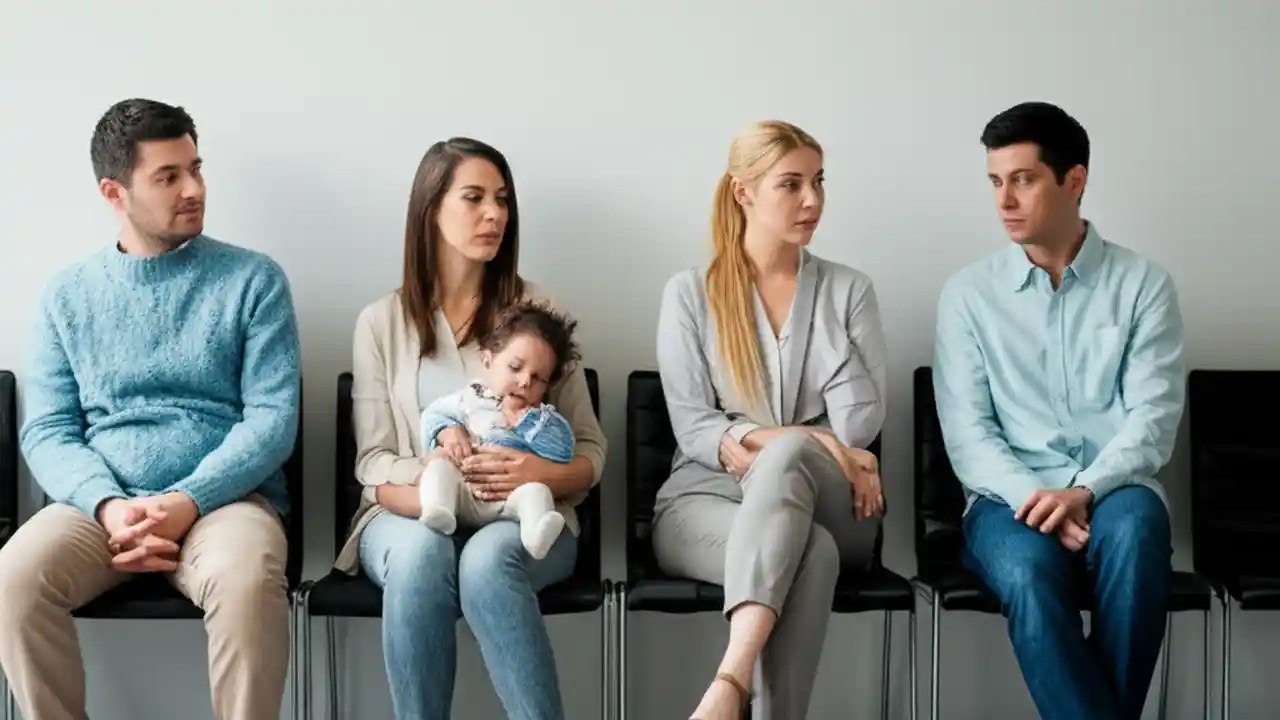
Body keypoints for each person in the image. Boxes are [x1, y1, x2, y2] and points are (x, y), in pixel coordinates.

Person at [0, 98, 300, 720]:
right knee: (12, 580)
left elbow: (271, 420)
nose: (193, 189)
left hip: (225, 503)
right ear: (114, 191)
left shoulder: (253, 280)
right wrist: (110, 506)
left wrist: (185, 501)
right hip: (102, 508)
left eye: (196, 168)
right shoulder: (66, 296)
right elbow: (50, 429)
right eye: (168, 177)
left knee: (246, 584)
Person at [336, 137, 607, 719]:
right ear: (432, 207)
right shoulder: (381, 322)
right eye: (475, 197)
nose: (495, 214)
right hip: (410, 508)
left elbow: (590, 449)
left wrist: (539, 472)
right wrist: (443, 470)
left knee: (486, 563)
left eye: (503, 199)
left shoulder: (540, 312)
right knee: (420, 557)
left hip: (524, 513)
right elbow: (374, 461)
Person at [933, 101, 1184, 720]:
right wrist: (1036, 497)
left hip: (1115, 490)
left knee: (1138, 532)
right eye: (996, 181)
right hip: (1004, 500)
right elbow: (969, 437)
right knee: (1027, 569)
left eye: (1023, 179)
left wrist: (1085, 490)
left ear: (1074, 181)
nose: (1004, 200)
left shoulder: (1143, 285)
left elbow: (1151, 422)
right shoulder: (968, 296)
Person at [652, 120, 888, 720]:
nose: (812, 200)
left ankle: (728, 682)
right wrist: (812, 436)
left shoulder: (850, 290)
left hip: (839, 501)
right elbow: (694, 429)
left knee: (787, 468)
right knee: (812, 553)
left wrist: (825, 330)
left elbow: (859, 427)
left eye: (819, 182)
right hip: (703, 501)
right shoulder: (690, 293)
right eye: (792, 184)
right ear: (744, 192)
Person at [417, 300, 580, 560]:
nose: (525, 381)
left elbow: (563, 451)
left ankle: (536, 534)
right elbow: (432, 415)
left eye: (538, 378)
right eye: (515, 368)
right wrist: (447, 430)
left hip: (509, 499)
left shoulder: (541, 419)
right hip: (465, 491)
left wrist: (527, 425)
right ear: (487, 360)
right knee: (438, 469)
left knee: (537, 492)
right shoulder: (470, 398)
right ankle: (439, 510)